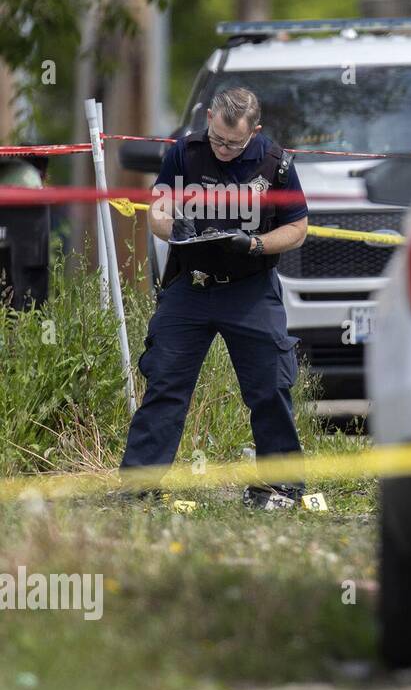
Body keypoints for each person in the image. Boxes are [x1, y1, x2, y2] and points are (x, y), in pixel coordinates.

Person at [120, 87, 310, 509]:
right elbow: (157, 211)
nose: (223, 149)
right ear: (209, 118)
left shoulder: (277, 165)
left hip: (251, 291)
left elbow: (298, 228)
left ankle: (282, 488)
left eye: (234, 143)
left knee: (270, 387)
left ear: (254, 132)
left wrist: (257, 244)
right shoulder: (183, 153)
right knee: (165, 383)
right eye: (218, 138)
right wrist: (174, 230)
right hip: (191, 287)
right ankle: (138, 490)